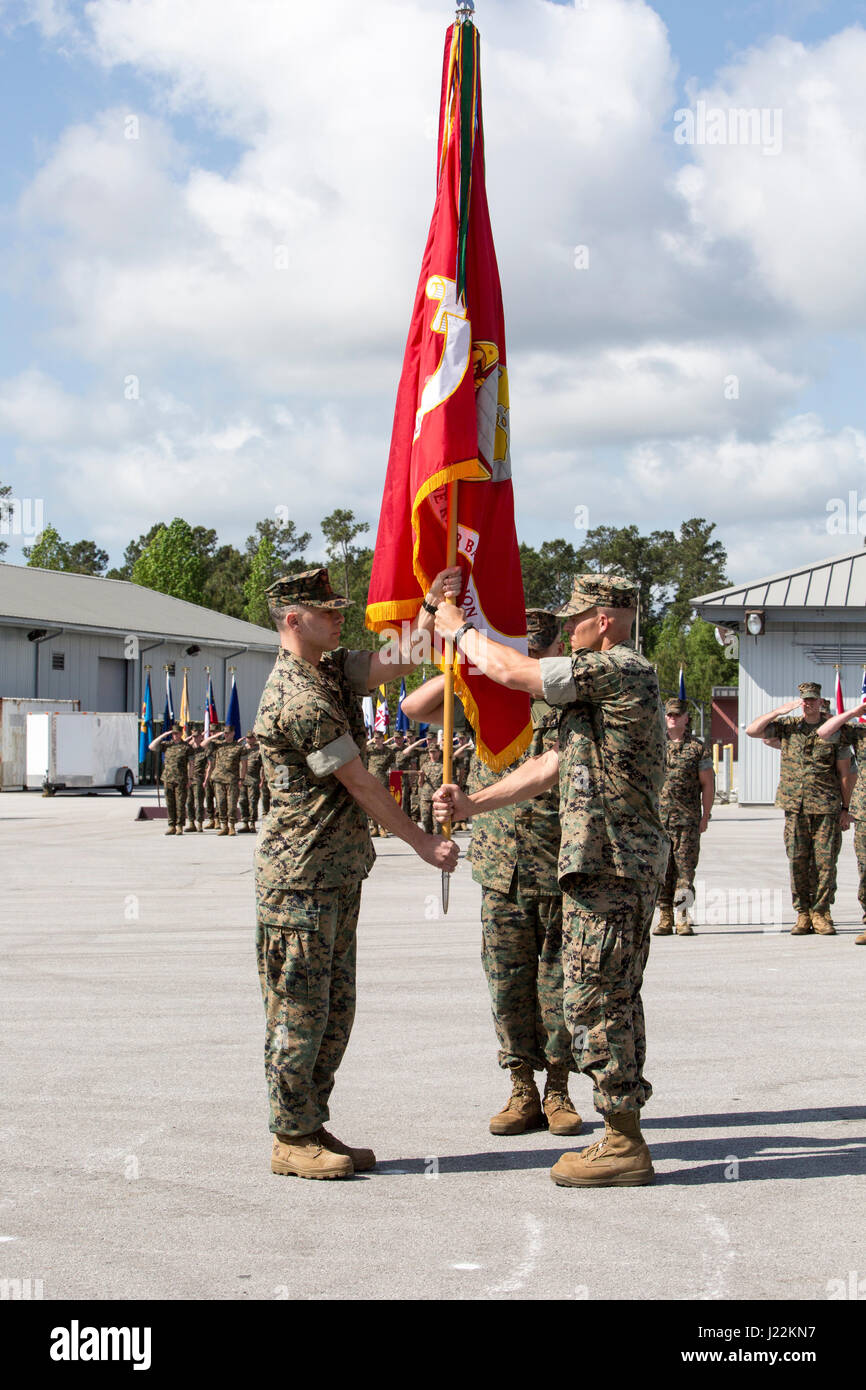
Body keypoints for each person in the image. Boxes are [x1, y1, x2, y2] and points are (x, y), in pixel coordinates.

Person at [434, 575, 667, 1188]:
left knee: (598, 998)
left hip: (614, 864)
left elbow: (513, 673)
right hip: (600, 866)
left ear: (606, 621)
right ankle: (621, 1130)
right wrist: (475, 804)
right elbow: (547, 766)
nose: (568, 630)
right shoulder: (600, 694)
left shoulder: (622, 668)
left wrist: (457, 627)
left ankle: (623, 1140)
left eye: (576, 620)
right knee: (602, 995)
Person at [254, 566, 460, 1180]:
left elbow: (401, 662)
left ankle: (311, 1122)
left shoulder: (329, 669)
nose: (340, 615)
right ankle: (290, 1136)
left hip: (335, 873)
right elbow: (360, 780)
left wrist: (430, 603)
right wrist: (422, 841)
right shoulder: (297, 695)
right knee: (299, 1008)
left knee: (334, 1007)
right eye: (328, 610)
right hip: (301, 877)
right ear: (294, 619)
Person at [404, 609, 581, 1138]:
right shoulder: (484, 700)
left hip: (558, 865)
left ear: (550, 652)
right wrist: (465, 665)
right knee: (506, 985)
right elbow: (415, 707)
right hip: (501, 869)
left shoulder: (567, 699)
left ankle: (558, 1090)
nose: (517, 659)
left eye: (530, 649)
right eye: (511, 648)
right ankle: (520, 1087)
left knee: (559, 987)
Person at [745, 683, 852, 935]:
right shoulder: (788, 727)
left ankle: (822, 912)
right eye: (805, 700)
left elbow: (845, 773)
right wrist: (778, 711)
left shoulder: (835, 731)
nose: (809, 704)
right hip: (795, 806)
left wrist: (846, 808)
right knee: (797, 861)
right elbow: (752, 731)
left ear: (820, 701)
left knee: (825, 863)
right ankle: (802, 913)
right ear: (800, 701)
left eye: (813, 700)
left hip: (826, 806)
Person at [653, 699, 715, 937]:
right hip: (659, 822)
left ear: (686, 718)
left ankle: (682, 915)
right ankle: (664, 915)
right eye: (669, 715)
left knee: (685, 871)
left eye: (677, 715)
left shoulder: (697, 748)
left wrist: (705, 815)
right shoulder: (656, 745)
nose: (673, 718)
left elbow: (707, 784)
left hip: (687, 821)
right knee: (662, 871)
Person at [817, 700, 866, 944]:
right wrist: (854, 713)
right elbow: (824, 732)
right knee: (865, 869)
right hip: (865, 812)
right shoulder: (859, 732)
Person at [149, 724, 192, 835]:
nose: (175, 736)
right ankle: (171, 825)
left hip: (181, 779)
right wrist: (163, 735)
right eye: (173, 734)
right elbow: (151, 746)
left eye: (177, 733)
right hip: (168, 778)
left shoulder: (186, 747)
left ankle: (179, 826)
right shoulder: (167, 745)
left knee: (180, 804)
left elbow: (191, 764)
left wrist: (190, 778)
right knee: (170, 803)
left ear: (181, 734)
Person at [205, 725, 247, 836]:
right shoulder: (218, 745)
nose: (226, 735)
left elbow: (244, 764)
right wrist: (218, 735)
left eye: (228, 733)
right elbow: (203, 744)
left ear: (233, 733)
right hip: (218, 779)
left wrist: (242, 779)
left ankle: (232, 826)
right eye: (225, 733)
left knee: (232, 804)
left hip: (232, 780)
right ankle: (224, 826)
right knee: (221, 803)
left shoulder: (239, 747)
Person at [366, 730, 395, 838]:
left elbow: (393, 765)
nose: (377, 740)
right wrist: (370, 741)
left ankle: (383, 828)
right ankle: (374, 827)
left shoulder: (389, 752)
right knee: (372, 805)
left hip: (383, 781)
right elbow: (360, 748)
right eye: (375, 738)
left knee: (382, 805)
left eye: (379, 738)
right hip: (370, 780)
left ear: (383, 739)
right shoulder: (369, 750)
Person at [238, 732, 263, 833]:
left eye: (251, 738)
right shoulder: (242, 749)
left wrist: (262, 779)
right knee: (242, 801)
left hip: (254, 779)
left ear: (254, 738)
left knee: (253, 801)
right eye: (247, 738)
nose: (249, 739)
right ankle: (245, 823)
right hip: (242, 779)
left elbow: (263, 766)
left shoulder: (259, 750)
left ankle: (252, 823)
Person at [417, 738, 444, 833]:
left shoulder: (443, 766)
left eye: (434, 752)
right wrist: (421, 776)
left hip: (438, 797)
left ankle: (438, 842)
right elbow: (420, 784)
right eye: (430, 752)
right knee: (425, 821)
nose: (432, 754)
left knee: (437, 823)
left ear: (439, 752)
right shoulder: (425, 765)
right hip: (425, 797)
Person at [185, 731, 208, 832]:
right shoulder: (188, 750)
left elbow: (209, 766)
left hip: (199, 778)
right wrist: (188, 738)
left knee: (199, 802)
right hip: (188, 778)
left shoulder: (204, 751)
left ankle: (199, 823)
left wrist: (206, 779)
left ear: (201, 737)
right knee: (189, 802)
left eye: (196, 736)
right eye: (193, 737)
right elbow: (182, 743)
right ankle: (191, 823)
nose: (194, 738)